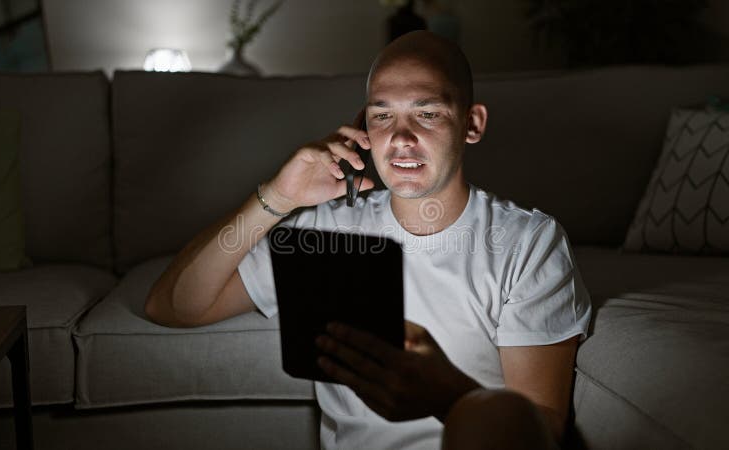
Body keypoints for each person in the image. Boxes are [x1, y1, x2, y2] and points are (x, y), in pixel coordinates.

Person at [144, 30, 592, 450]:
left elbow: (543, 431)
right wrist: (278, 197)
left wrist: (447, 395)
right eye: (382, 116)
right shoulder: (323, 230)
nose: (400, 137)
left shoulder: (528, 242)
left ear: (472, 124)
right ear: (363, 128)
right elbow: (174, 306)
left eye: (428, 113)